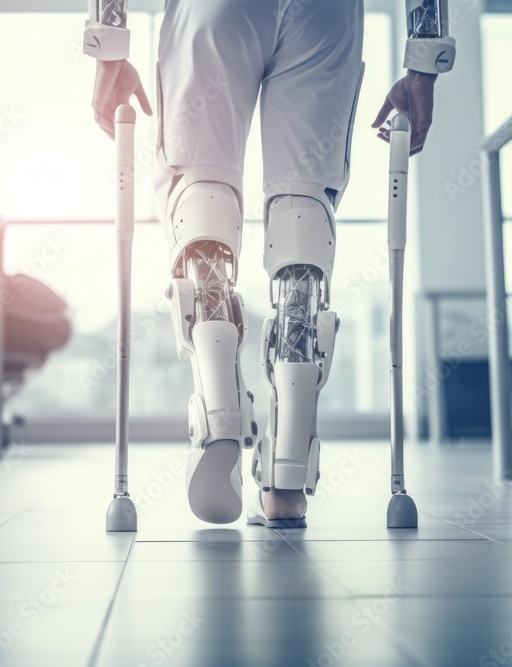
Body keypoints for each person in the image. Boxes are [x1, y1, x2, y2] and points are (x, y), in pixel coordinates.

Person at [85, 0, 455, 527]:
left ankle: (218, 406)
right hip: (326, 16)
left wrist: (108, 41)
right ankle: (288, 473)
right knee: (302, 207)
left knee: (201, 187)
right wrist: (425, 60)